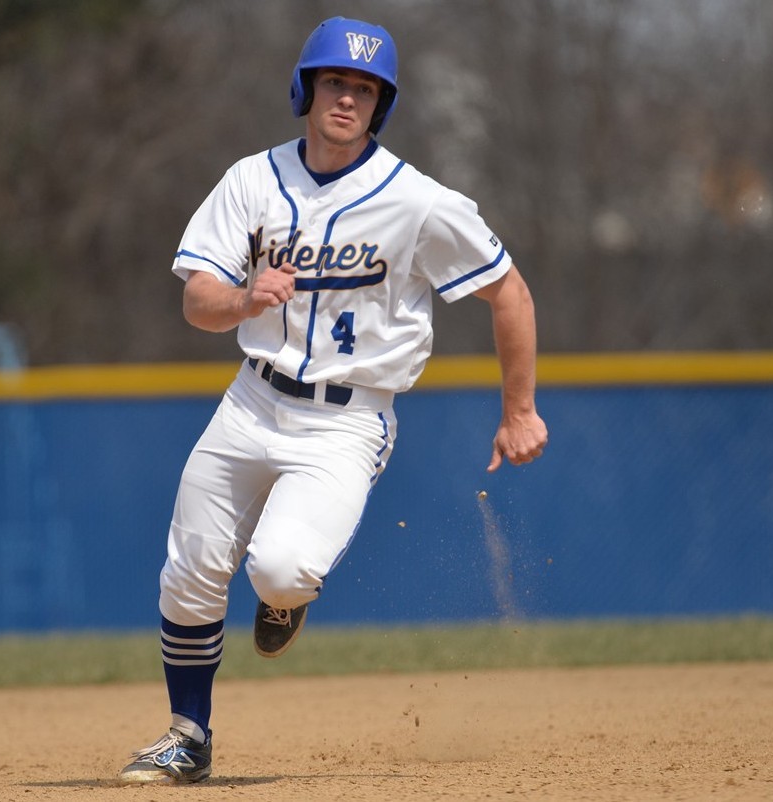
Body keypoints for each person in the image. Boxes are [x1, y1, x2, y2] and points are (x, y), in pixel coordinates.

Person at [118, 16, 548, 785]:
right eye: (334, 82)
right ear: (305, 89)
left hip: (345, 420)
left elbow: (507, 291)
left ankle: (286, 601)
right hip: (250, 402)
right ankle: (188, 734)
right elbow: (198, 300)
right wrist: (247, 298)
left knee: (278, 570)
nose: (347, 98)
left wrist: (519, 410)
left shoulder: (417, 201)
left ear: (380, 105)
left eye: (364, 88)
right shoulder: (252, 179)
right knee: (189, 572)